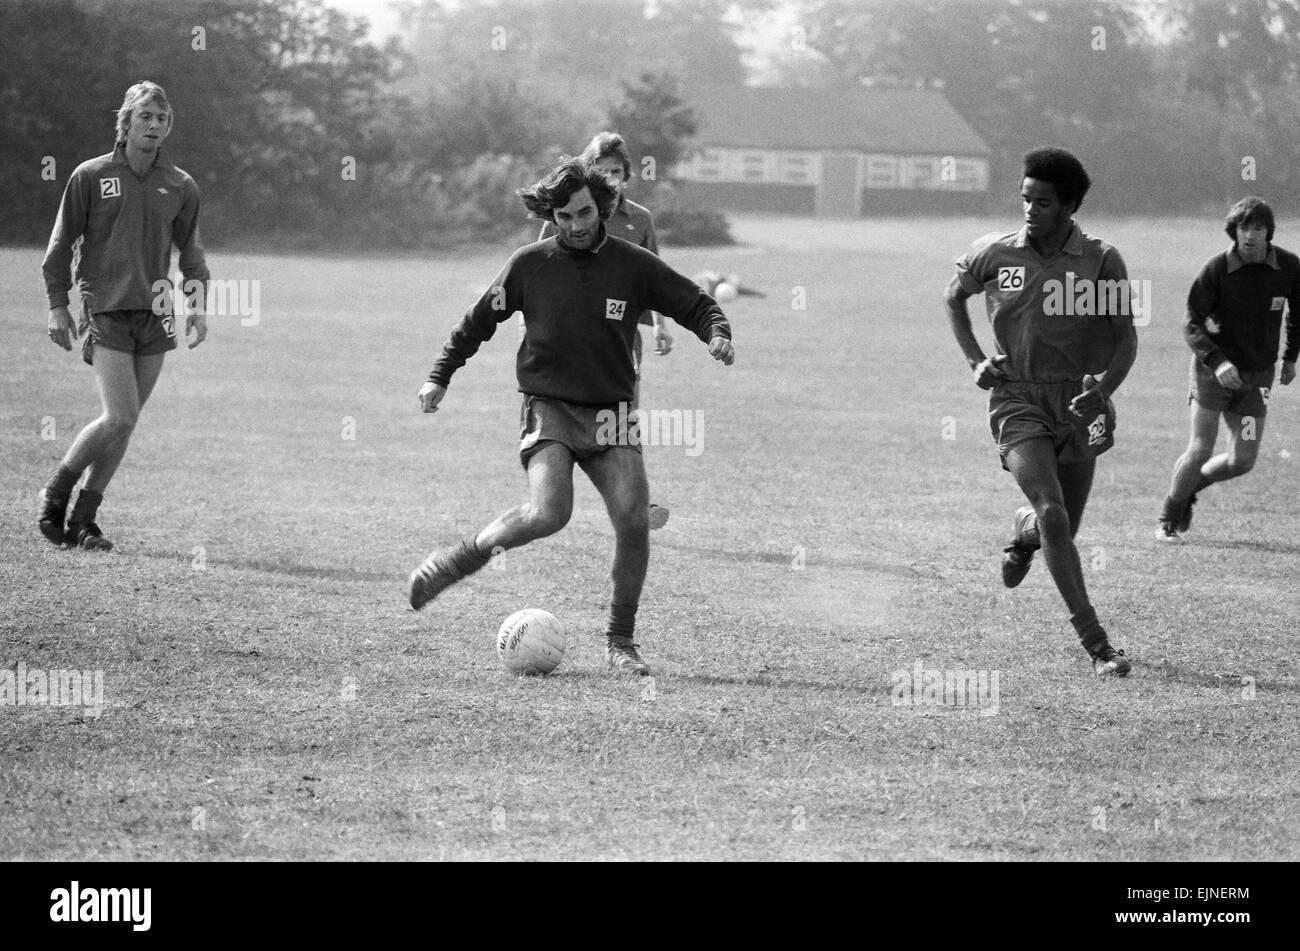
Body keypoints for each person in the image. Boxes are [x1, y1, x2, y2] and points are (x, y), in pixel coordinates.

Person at [409, 158, 735, 676]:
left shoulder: (632, 264)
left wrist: (717, 332)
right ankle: (458, 560)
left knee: (632, 520)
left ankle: (620, 643)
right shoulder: (528, 265)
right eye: (565, 216)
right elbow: (476, 322)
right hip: (551, 407)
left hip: (611, 413)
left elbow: (692, 302)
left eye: (585, 212)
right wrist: (439, 375)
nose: (577, 225)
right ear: (552, 216)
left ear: (600, 207)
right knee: (549, 513)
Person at [944, 147, 1137, 677]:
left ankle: (1025, 533)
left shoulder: (1101, 260)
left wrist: (1104, 389)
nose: (1030, 209)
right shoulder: (994, 253)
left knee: (1060, 528)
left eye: (1044, 202)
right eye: (1026, 198)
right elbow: (952, 297)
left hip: (1079, 403)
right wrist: (975, 361)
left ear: (1070, 206)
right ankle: (1099, 646)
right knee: (1054, 511)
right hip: (1017, 399)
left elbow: (1125, 339)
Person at [39, 81, 209, 551]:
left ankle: (84, 521)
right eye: (145, 118)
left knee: (127, 422)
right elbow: (58, 248)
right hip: (105, 305)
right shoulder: (89, 177)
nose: (154, 126)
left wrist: (196, 305)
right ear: (127, 122)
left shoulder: (180, 184)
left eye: (162, 119)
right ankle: (55, 493)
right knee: (120, 415)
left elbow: (191, 254)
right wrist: (58, 305)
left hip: (155, 312)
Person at [535, 131, 674, 529]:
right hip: (571, 338)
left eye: (616, 171)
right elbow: (537, 270)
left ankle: (636, 505)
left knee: (623, 417)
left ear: (626, 175)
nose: (609, 178)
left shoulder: (640, 220)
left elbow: (656, 278)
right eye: (601, 169)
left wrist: (661, 325)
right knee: (566, 420)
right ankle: (550, 495)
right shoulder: (568, 211)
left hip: (621, 339)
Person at [1157, 197, 1300, 540]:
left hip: (1258, 376)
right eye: (1243, 227)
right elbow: (1192, 323)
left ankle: (1189, 490)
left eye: (1258, 228)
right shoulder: (1218, 269)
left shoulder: (1289, 267)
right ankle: (1168, 518)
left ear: (1269, 232)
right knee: (1201, 448)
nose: (1250, 235)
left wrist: (1290, 357)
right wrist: (1217, 362)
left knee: (1242, 460)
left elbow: (1298, 313)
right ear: (1234, 230)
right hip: (1212, 374)